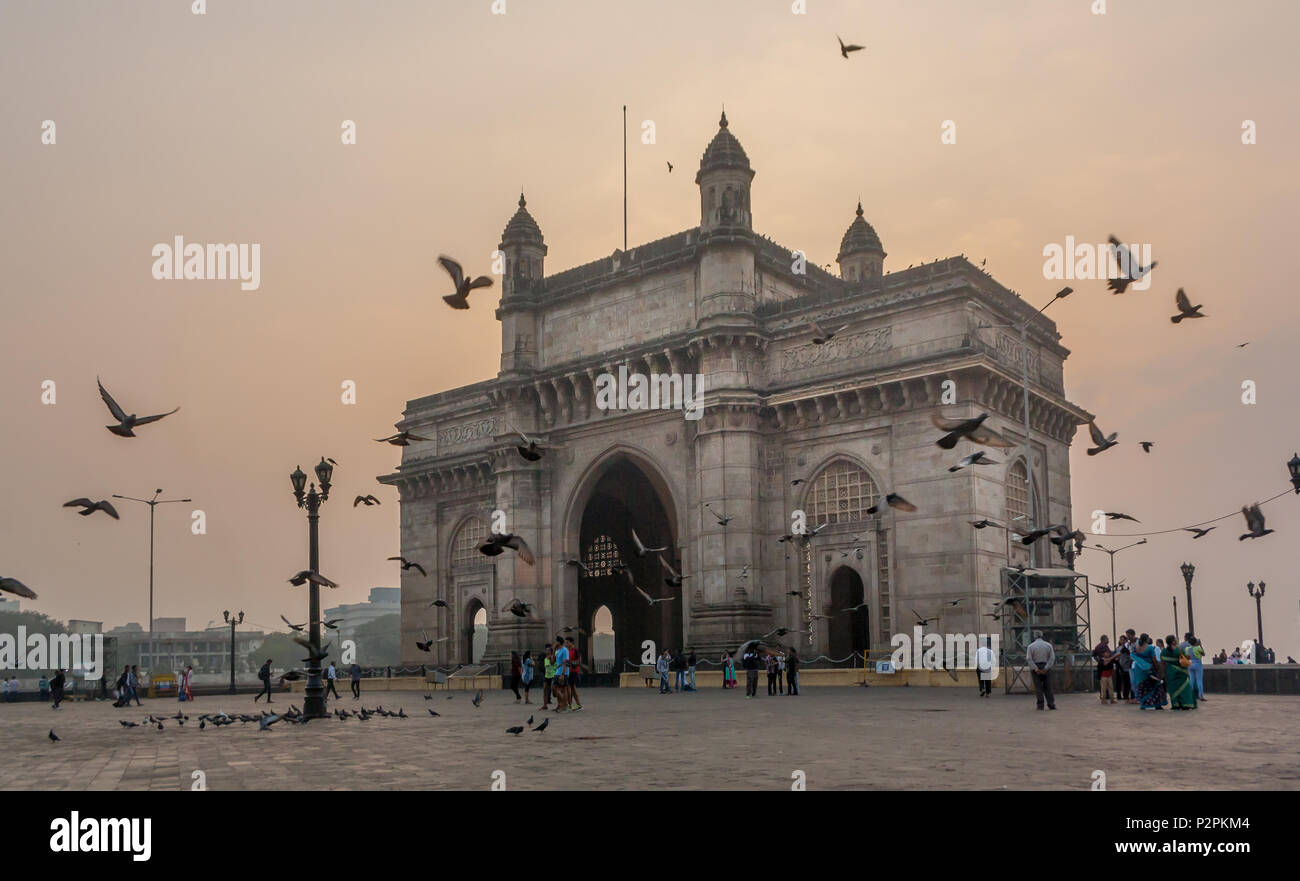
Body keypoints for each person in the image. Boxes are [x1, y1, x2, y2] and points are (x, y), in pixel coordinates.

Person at [1131, 634, 1167, 709]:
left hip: (1139, 669)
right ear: (1147, 639)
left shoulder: (1135, 647)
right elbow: (1154, 659)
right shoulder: (1150, 648)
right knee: (1155, 685)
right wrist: (1157, 669)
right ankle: (1157, 705)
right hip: (1149, 669)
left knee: (1142, 686)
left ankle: (1143, 704)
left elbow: (1132, 657)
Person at [1162, 634, 1197, 710]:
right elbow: (1185, 658)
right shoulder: (1178, 649)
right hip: (1181, 672)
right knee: (1185, 688)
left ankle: (1176, 704)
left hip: (1170, 672)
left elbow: (1163, 663)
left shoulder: (1164, 651)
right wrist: (1188, 657)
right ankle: (1186, 704)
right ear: (1173, 641)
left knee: (1173, 689)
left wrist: (1163, 674)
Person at [1026, 632, 1055, 710]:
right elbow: (1052, 658)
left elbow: (1029, 659)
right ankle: (1051, 704)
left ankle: (1040, 705)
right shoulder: (1048, 645)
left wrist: (1035, 668)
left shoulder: (1030, 646)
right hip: (1046, 666)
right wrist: (1046, 668)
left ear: (1034, 637)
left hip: (1036, 667)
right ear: (1042, 636)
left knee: (1038, 687)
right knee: (1048, 687)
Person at [1183, 634, 1206, 702]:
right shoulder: (1198, 648)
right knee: (1199, 681)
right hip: (1198, 664)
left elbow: (1187, 656)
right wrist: (1200, 645)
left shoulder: (1187, 648)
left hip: (1190, 664)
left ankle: (1189, 695)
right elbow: (1203, 654)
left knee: (1191, 681)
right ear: (1196, 642)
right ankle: (1201, 696)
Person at [565, 637, 583, 711]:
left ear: (571, 642)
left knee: (571, 687)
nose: (566, 644)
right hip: (568, 671)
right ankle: (573, 704)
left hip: (574, 671)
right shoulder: (566, 651)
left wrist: (571, 663)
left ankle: (574, 705)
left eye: (567, 642)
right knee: (571, 688)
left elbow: (579, 662)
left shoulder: (575, 650)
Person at [552, 639, 570, 711]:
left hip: (563, 672)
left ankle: (564, 705)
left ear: (559, 642)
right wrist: (553, 650)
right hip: (557, 672)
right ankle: (561, 704)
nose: (554, 643)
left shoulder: (565, 650)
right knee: (554, 688)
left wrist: (563, 674)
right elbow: (552, 662)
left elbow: (565, 662)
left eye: (556, 641)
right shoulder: (557, 651)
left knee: (563, 689)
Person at [541, 645, 556, 709]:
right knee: (545, 691)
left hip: (553, 676)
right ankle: (545, 705)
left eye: (548, 650)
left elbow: (552, 663)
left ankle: (561, 703)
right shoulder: (545, 659)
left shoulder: (553, 657)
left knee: (554, 691)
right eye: (546, 650)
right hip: (547, 676)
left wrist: (551, 657)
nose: (546, 651)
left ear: (551, 651)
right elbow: (546, 667)